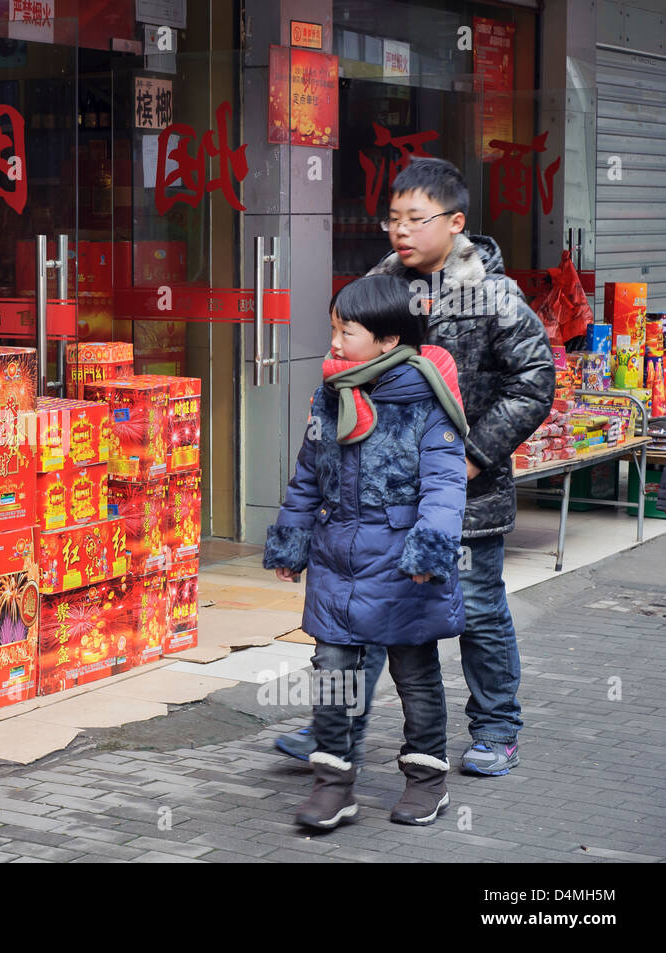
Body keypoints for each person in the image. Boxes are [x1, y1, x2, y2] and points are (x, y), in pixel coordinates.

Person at [272, 158, 556, 776]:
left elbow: (535, 382)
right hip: (375, 500)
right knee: (360, 610)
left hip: (464, 494)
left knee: (478, 608)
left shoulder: (493, 294)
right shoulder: (380, 286)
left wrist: (473, 456)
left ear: (455, 222)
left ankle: (496, 729)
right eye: (392, 219)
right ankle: (333, 732)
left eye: (415, 219)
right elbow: (345, 372)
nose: (400, 231)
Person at [263, 274, 468, 828]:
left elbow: (446, 488)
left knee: (415, 675)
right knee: (331, 671)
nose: (333, 342)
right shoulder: (329, 393)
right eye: (333, 327)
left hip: (404, 569)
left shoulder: (428, 401)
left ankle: (427, 780)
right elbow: (308, 476)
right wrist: (291, 541)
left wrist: (430, 554)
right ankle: (333, 784)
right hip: (337, 562)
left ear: (387, 340)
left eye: (345, 330)